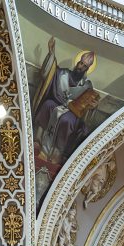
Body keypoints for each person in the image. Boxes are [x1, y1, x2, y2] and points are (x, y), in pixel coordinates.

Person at [32, 39, 99, 189]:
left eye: (84, 66)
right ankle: (38, 140)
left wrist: (93, 107)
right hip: (58, 104)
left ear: (87, 69)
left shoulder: (87, 86)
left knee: (67, 121)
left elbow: (88, 106)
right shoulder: (62, 74)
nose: (80, 66)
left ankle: (57, 153)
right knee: (48, 105)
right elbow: (48, 74)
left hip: (72, 113)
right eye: (80, 63)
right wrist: (51, 54)